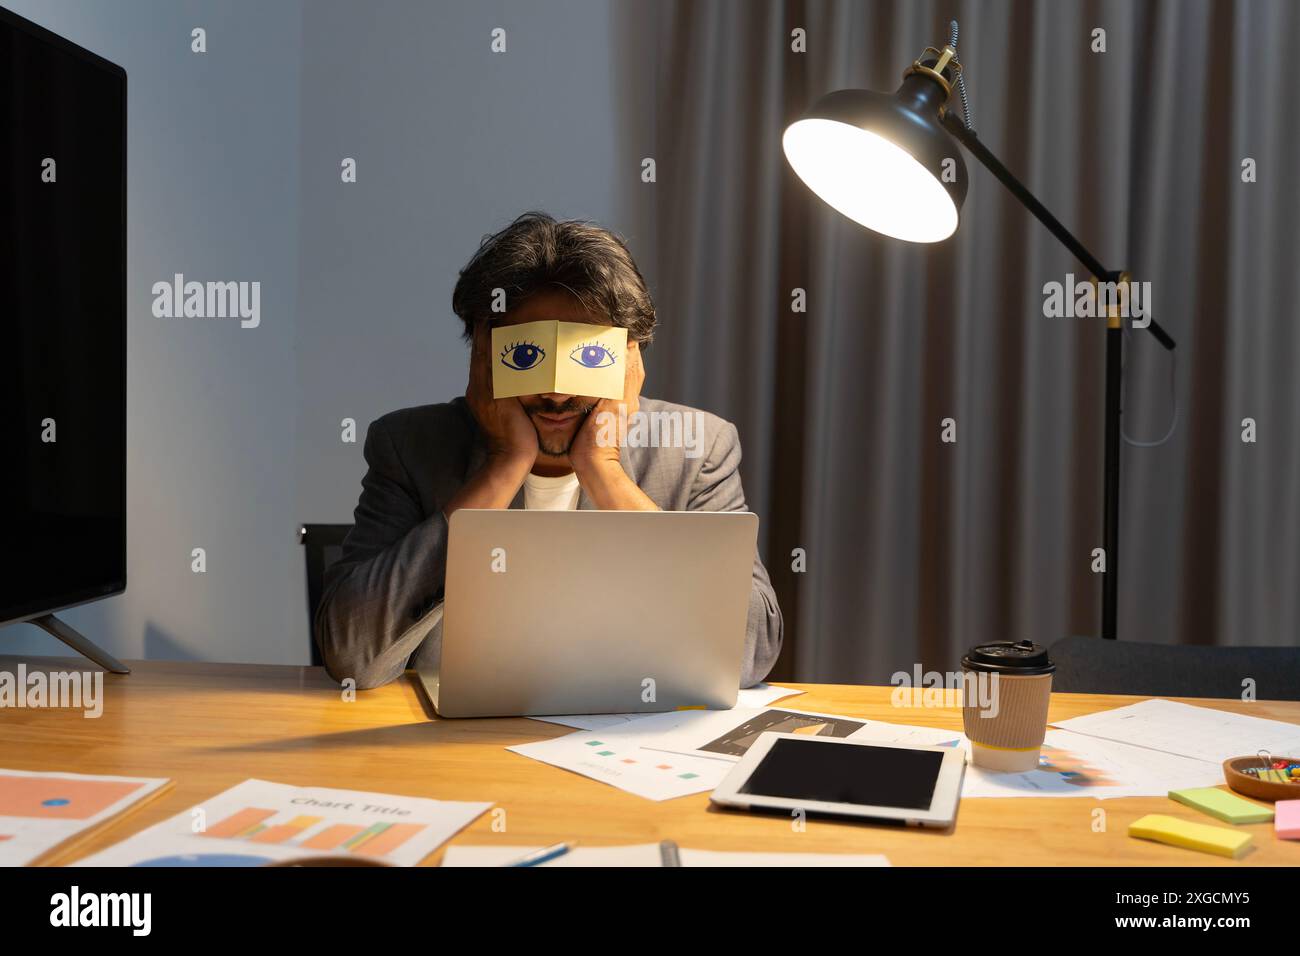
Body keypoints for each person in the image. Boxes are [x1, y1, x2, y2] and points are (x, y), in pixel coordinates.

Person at [315, 211, 782, 689]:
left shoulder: (697, 448)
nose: (557, 394)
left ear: (630, 358)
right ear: (483, 355)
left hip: (626, 733)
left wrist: (605, 471)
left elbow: (749, 651)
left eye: (588, 356)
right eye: (525, 356)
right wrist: (503, 465)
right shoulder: (410, 445)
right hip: (458, 743)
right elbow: (352, 656)